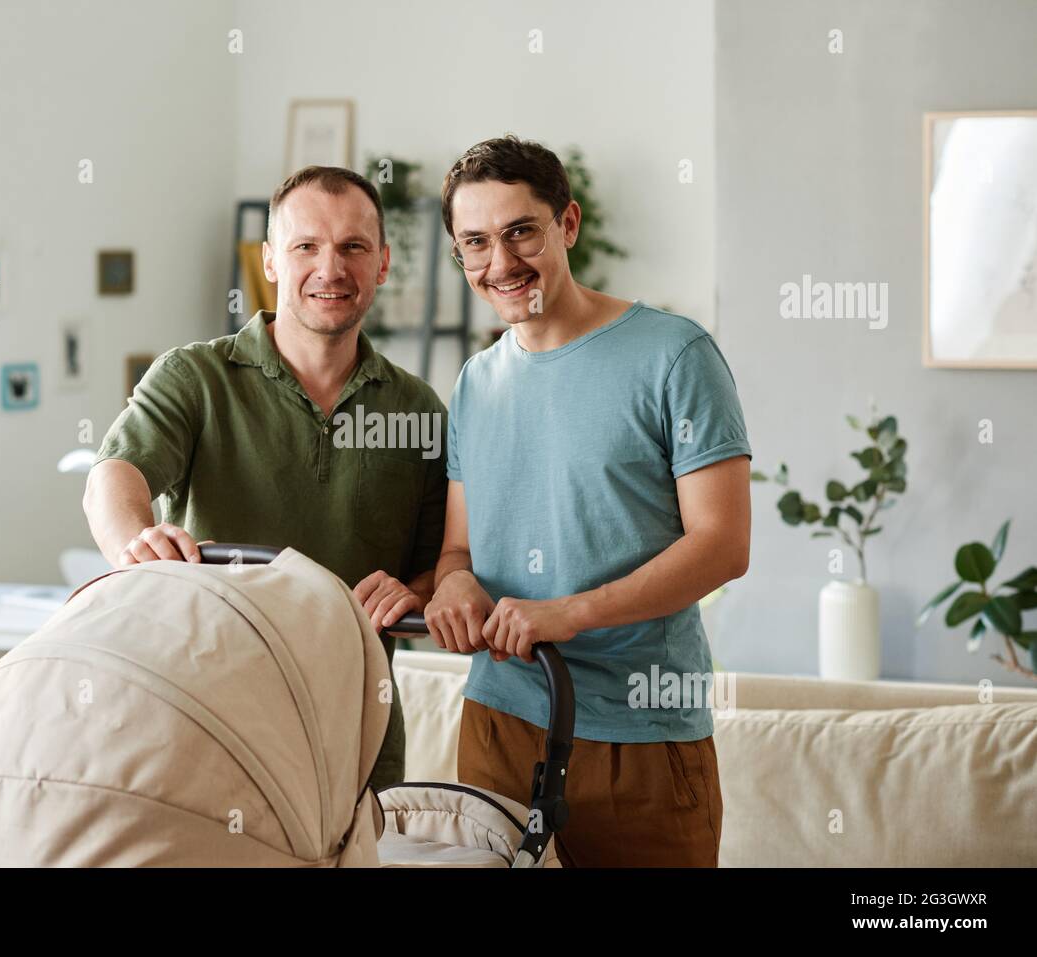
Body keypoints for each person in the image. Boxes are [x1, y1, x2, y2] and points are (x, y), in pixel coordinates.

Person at [424, 135, 752, 866]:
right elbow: (458, 549)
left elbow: (723, 545)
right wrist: (454, 584)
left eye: (521, 232)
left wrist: (569, 612)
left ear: (567, 224)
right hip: (499, 724)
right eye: (474, 243)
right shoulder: (476, 382)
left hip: (641, 731)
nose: (500, 264)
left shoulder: (674, 354)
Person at [84, 166, 448, 790]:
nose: (330, 269)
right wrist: (133, 542)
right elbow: (114, 476)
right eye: (306, 245)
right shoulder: (193, 378)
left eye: (353, 247)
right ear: (271, 260)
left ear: (383, 264)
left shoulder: (419, 410)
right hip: (204, 714)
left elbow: (444, 561)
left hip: (355, 734)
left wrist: (416, 591)